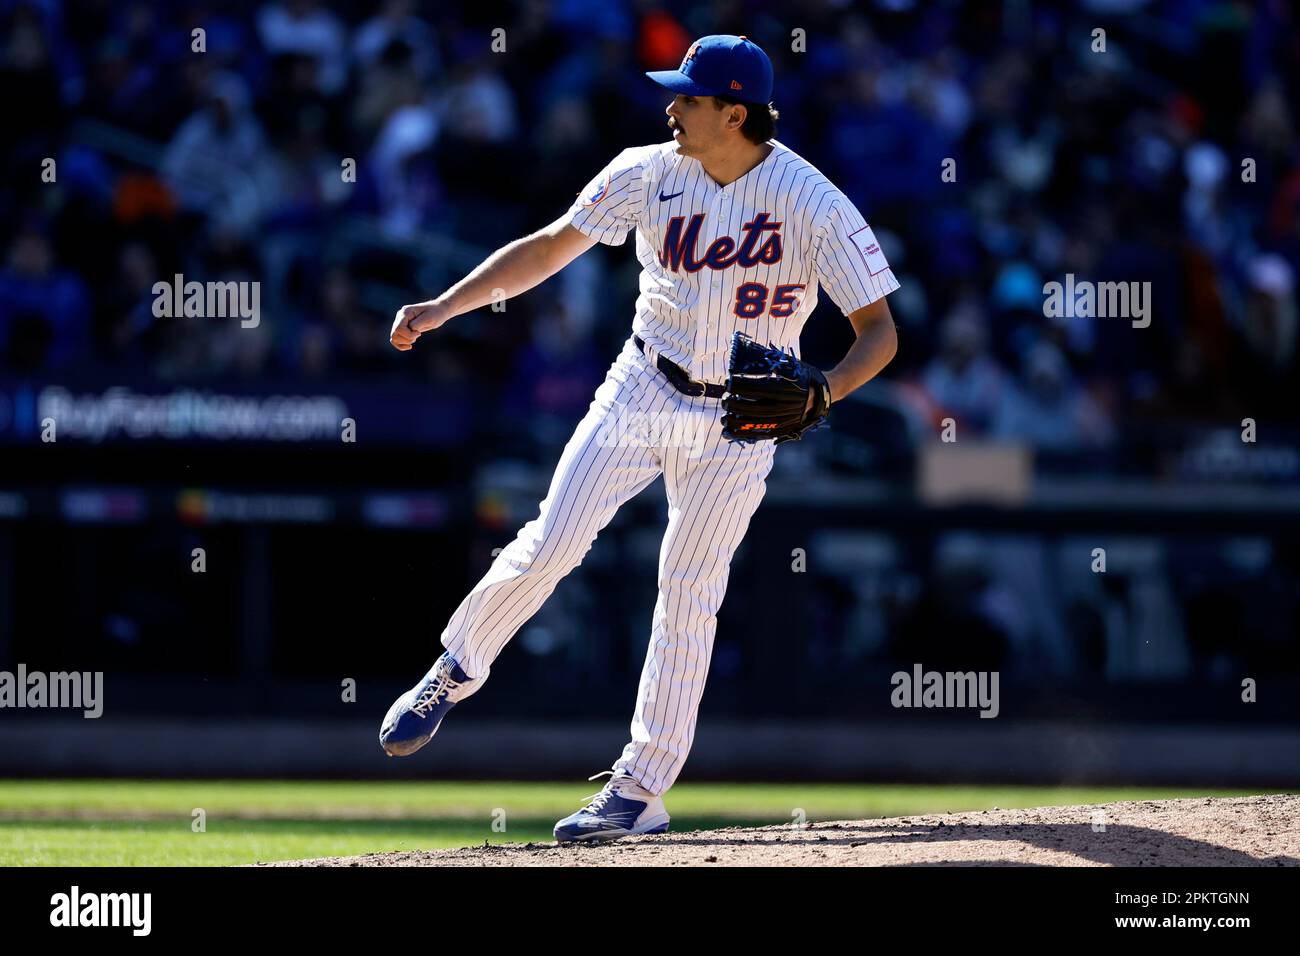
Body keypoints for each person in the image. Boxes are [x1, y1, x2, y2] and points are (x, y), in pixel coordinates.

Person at [380, 35, 900, 842]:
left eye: (688, 98)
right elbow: (551, 247)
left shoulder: (814, 201)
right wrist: (447, 306)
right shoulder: (645, 170)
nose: (670, 107)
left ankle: (639, 791)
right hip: (646, 380)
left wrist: (827, 387)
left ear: (734, 113)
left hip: (741, 415)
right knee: (552, 538)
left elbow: (879, 333)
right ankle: (455, 670)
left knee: (688, 593)